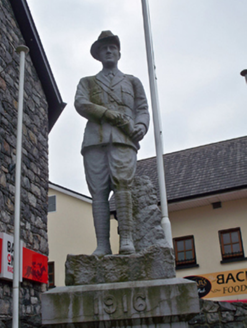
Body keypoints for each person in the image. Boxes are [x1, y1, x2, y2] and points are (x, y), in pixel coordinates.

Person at [74, 31, 149, 256]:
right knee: (98, 192)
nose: (108, 51)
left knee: (123, 186)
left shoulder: (132, 81)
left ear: (119, 53)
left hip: (124, 141)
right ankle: (102, 244)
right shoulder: (87, 82)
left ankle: (126, 238)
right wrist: (108, 114)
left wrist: (141, 127)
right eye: (104, 48)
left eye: (112, 48)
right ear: (98, 55)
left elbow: (142, 109)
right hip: (94, 142)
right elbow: (81, 104)